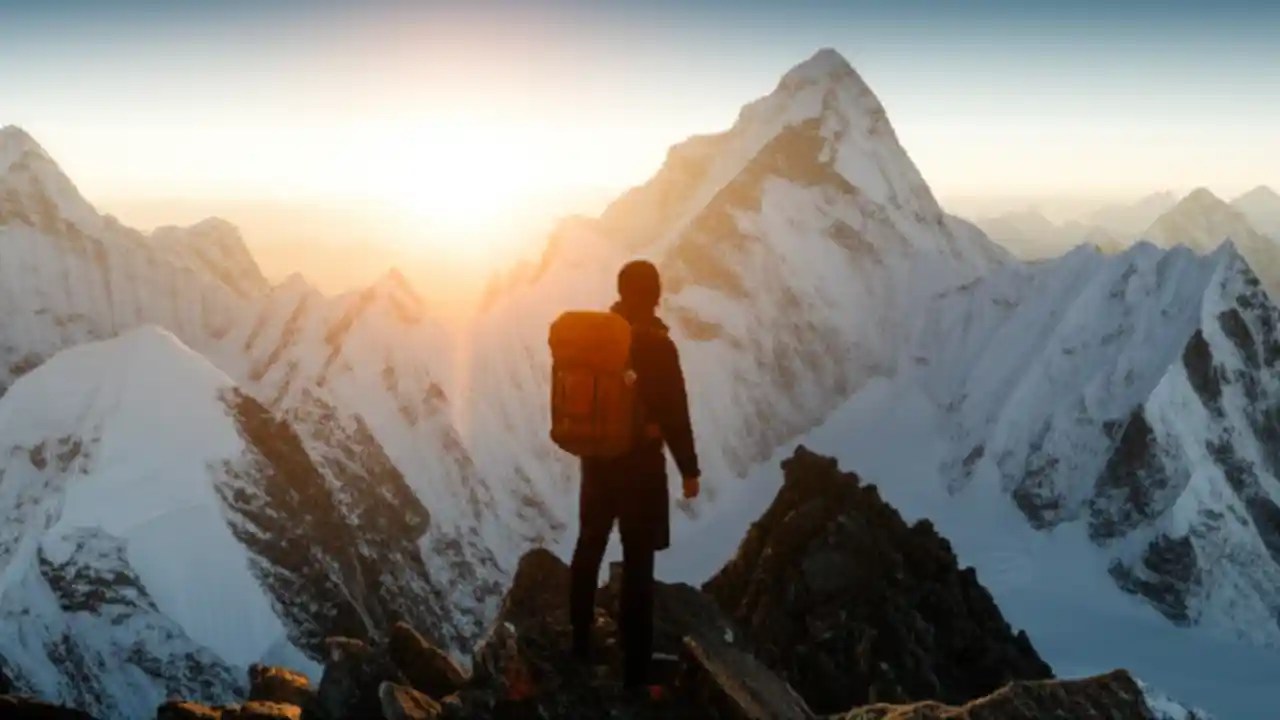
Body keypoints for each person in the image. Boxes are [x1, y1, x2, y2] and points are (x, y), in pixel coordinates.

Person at [569, 259, 701, 690]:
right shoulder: (657, 345)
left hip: (597, 459)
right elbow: (675, 410)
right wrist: (689, 469)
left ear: (622, 291)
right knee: (638, 560)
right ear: (656, 294)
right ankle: (635, 667)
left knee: (589, 544)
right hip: (640, 466)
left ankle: (579, 643)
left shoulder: (597, 338)